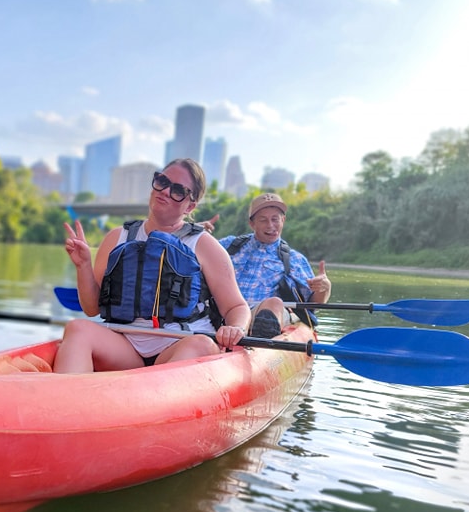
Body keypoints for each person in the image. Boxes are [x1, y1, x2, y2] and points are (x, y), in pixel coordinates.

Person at [53, 158, 252, 374]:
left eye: (177, 190)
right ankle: (66, 402)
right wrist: (83, 266)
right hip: (127, 347)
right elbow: (91, 308)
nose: (165, 191)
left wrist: (236, 328)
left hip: (180, 344)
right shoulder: (116, 237)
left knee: (202, 344)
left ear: (190, 205)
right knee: (77, 328)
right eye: (162, 181)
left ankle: (150, 398)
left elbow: (236, 307)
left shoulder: (204, 245)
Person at [216, 192, 332, 338]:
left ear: (283, 220)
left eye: (275, 219)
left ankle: (260, 345)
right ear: (252, 223)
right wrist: (198, 233)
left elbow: (312, 304)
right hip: (226, 311)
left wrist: (324, 289)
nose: (270, 225)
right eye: (263, 220)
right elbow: (195, 257)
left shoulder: (294, 259)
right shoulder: (229, 245)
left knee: (274, 304)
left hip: (262, 312)